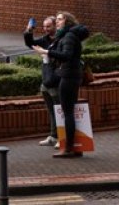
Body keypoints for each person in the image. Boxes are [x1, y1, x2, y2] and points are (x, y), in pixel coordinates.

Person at [38, 11, 89, 158]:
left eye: (59, 19)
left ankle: (69, 148)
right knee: (69, 112)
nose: (57, 22)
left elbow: (66, 56)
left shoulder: (68, 36)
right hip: (72, 75)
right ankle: (74, 147)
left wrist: (47, 52)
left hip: (68, 76)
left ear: (66, 21)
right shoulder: (71, 35)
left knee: (67, 113)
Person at [24, 15, 60, 147]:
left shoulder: (60, 40)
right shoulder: (44, 40)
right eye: (44, 26)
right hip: (46, 80)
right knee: (51, 110)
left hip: (56, 80)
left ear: (55, 26)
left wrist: (46, 53)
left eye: (49, 26)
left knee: (59, 110)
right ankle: (53, 136)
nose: (46, 29)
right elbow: (30, 43)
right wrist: (29, 31)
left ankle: (62, 137)